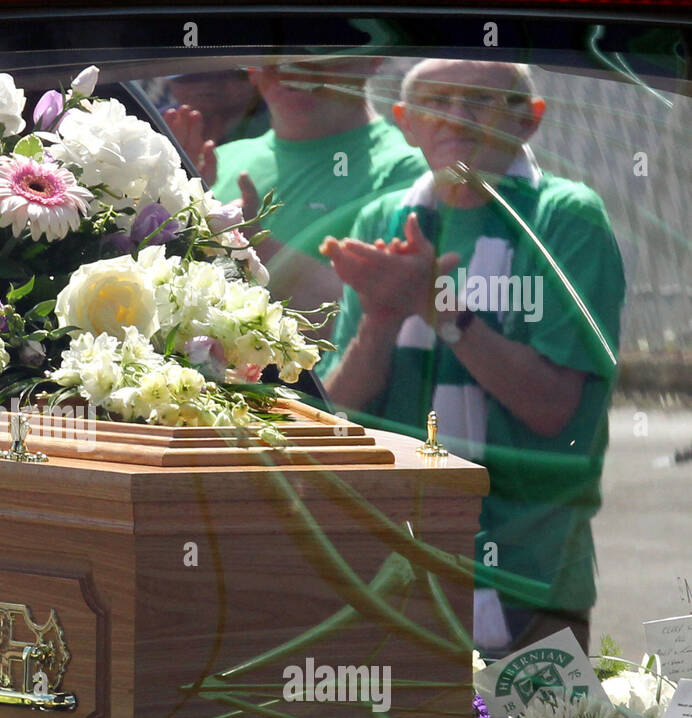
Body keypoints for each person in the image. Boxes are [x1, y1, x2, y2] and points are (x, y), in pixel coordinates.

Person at [318, 59, 625, 658]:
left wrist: (443, 312)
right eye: (437, 101)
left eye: (480, 102)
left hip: (532, 583)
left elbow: (553, 409)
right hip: (391, 574)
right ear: (406, 123)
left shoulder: (566, 218)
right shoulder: (382, 220)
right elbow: (340, 414)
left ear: (529, 121)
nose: (456, 117)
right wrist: (381, 320)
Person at [169, 58, 428, 316]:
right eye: (275, 50)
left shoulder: (412, 174)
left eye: (320, 51)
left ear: (373, 58)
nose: (293, 66)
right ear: (252, 67)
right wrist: (174, 200)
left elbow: (382, 322)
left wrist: (252, 244)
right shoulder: (219, 159)